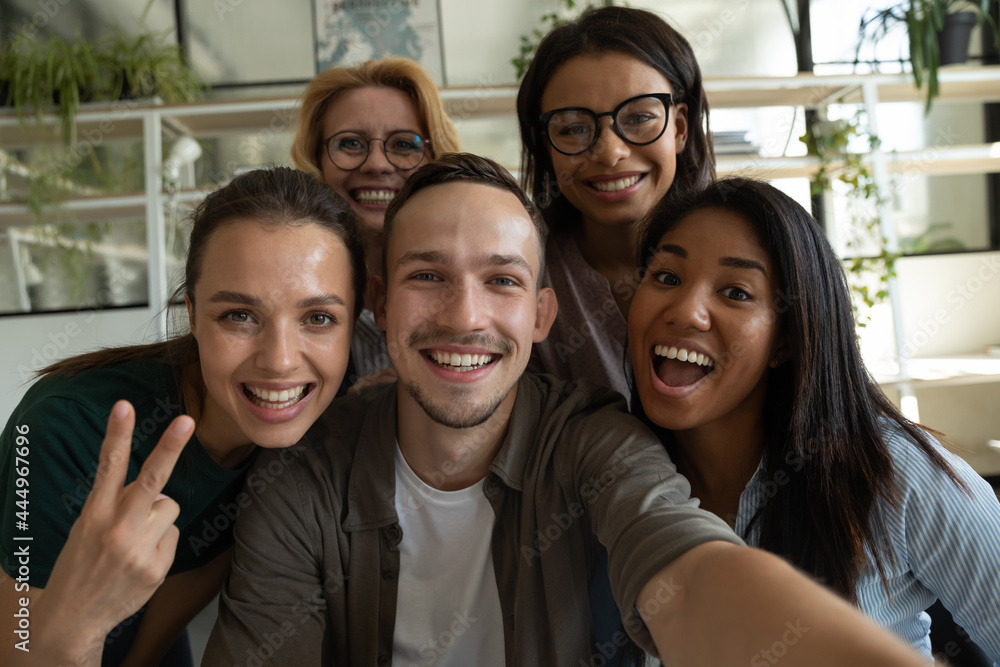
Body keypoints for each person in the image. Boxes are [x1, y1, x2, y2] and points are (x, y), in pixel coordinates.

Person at [202, 153, 928, 667]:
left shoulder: (592, 439)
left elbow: (688, 574)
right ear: (381, 305)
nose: (465, 315)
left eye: (502, 280)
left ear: (543, 314)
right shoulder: (305, 474)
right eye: (428, 275)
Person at [0, 166, 366, 666]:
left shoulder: (324, 412)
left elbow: (203, 563)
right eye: (239, 315)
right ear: (192, 313)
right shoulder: (63, 428)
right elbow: (21, 646)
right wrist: (85, 612)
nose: (280, 360)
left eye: (318, 318)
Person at [628, 177, 1000, 664]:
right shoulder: (618, 475)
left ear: (786, 340)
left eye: (736, 292)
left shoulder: (895, 474)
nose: (686, 311)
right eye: (668, 277)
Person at [517, 6, 714, 403]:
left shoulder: (758, 256)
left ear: (678, 127)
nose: (610, 153)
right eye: (572, 128)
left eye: (639, 116)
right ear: (544, 144)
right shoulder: (521, 278)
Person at [291, 56, 461, 385]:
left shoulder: (479, 286)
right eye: (350, 143)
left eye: (403, 145)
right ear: (316, 161)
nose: (377, 164)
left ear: (436, 159)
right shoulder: (288, 283)